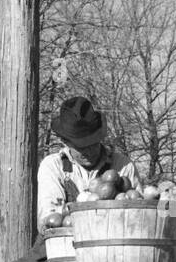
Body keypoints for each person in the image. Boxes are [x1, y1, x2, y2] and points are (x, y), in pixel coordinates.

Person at [36, 95, 139, 226]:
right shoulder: (53, 166)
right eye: (80, 147)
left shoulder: (123, 165)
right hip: (66, 244)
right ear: (65, 142)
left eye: (93, 143)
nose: (88, 151)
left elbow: (141, 214)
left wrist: (171, 206)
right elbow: (49, 218)